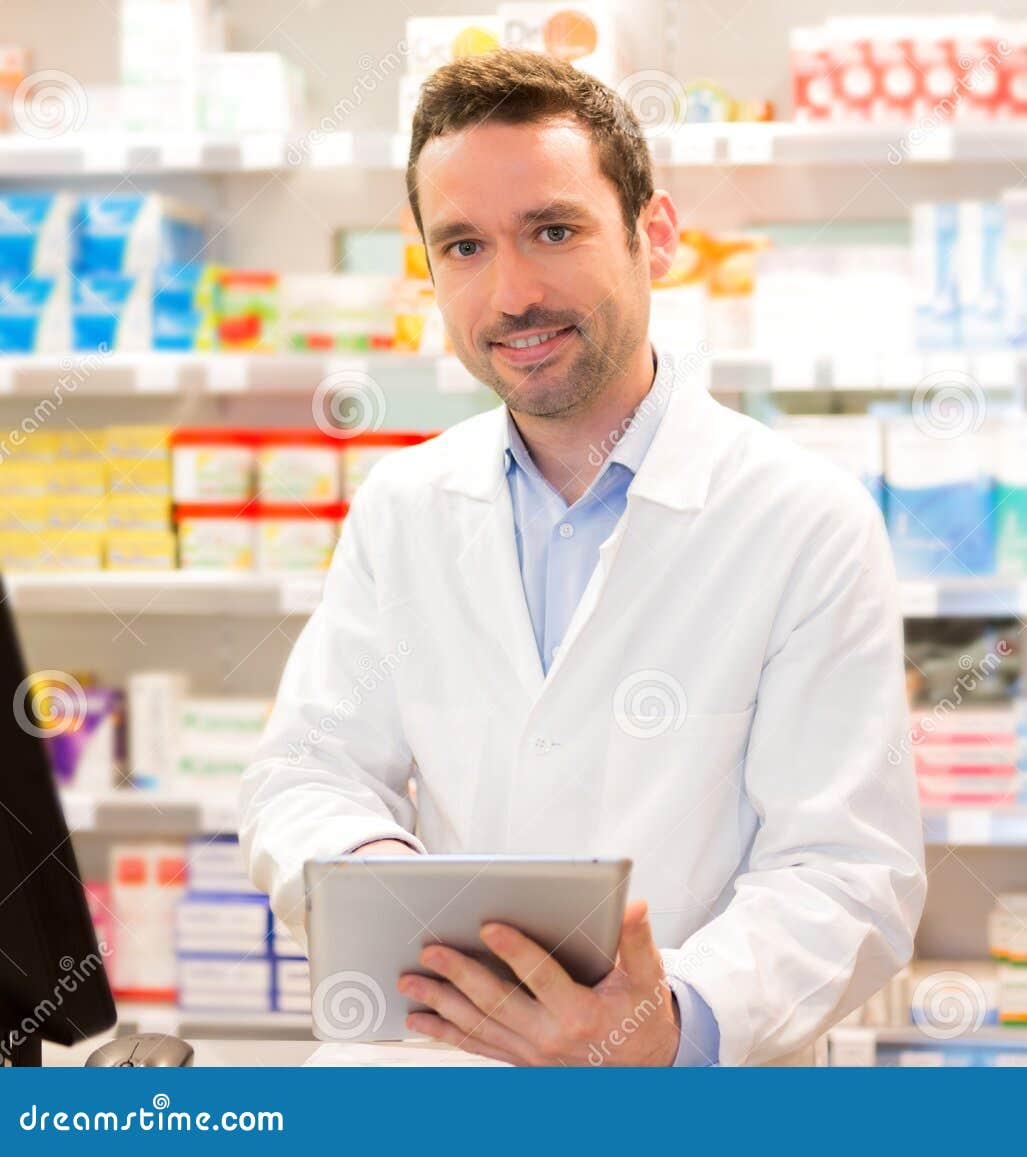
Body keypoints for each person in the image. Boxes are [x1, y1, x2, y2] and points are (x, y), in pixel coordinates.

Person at [238, 49, 925, 1068]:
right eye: (465, 246)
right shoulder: (405, 507)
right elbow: (307, 773)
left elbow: (844, 872)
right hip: (442, 1064)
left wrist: (670, 1019)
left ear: (654, 235)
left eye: (552, 231)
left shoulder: (803, 519)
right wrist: (379, 871)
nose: (512, 292)